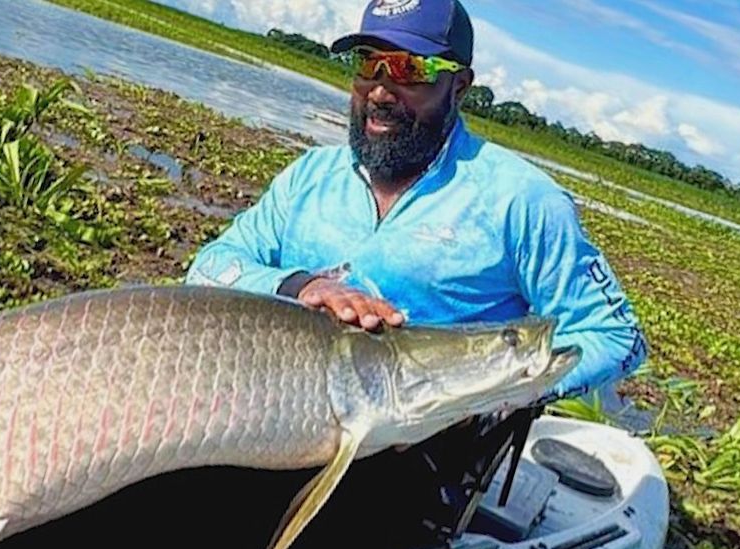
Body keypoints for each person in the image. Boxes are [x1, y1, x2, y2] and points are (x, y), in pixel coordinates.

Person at [184, 0, 648, 404]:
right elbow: (210, 266)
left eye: (409, 69)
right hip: (277, 400)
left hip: (424, 446)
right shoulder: (310, 175)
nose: (380, 91)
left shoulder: (522, 201)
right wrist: (301, 286)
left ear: (459, 86)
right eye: (368, 63)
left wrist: (496, 397)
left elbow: (616, 336)